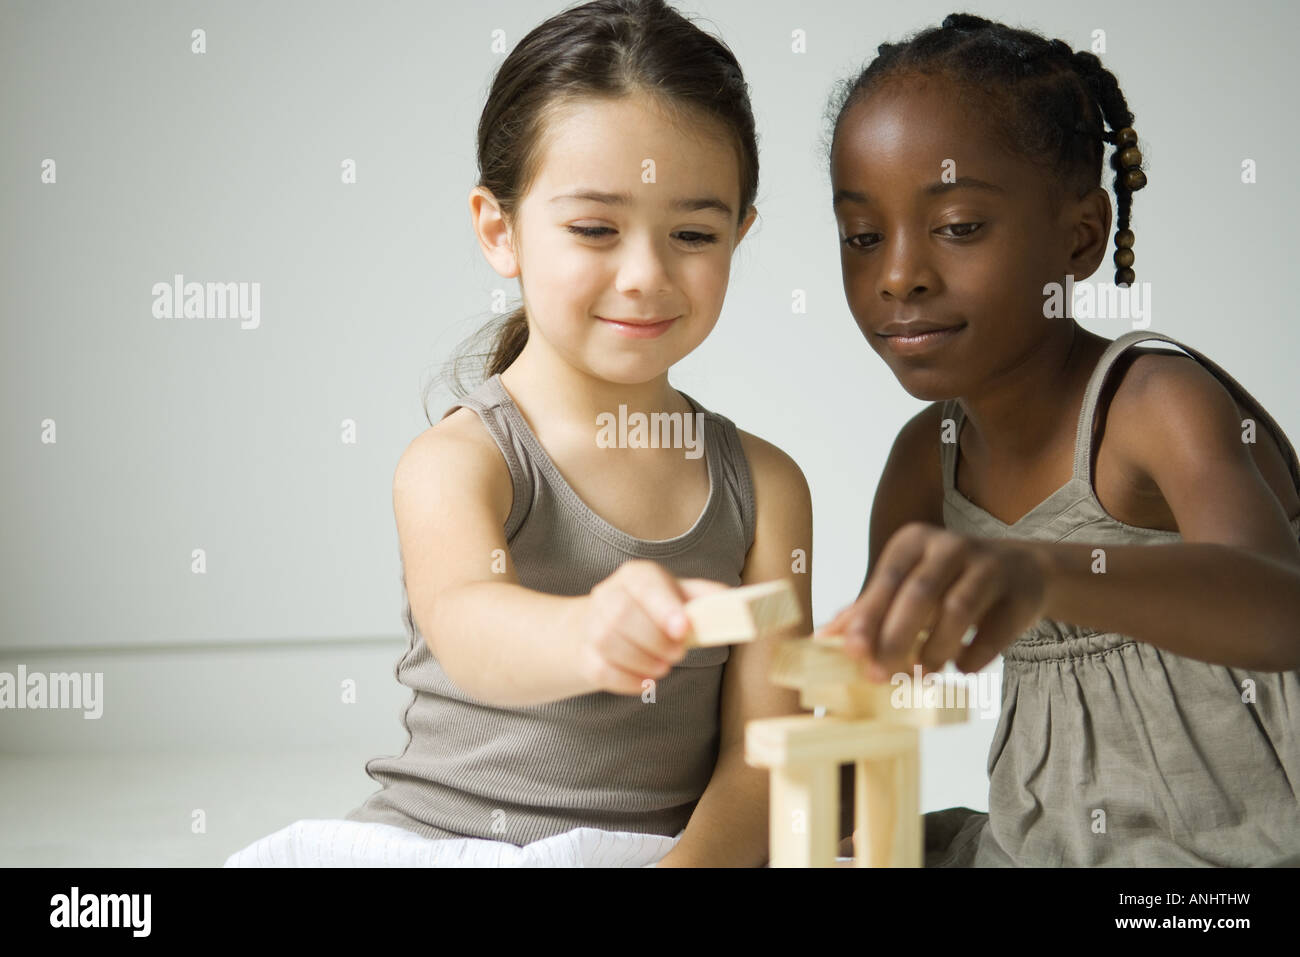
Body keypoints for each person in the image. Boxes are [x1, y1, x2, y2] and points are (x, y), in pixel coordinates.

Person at [225, 0, 811, 869]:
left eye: (693, 233)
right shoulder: (461, 463)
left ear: (740, 234)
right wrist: (590, 636)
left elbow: (767, 750)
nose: (646, 275)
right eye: (594, 230)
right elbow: (470, 625)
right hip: (447, 845)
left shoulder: (766, 485)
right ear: (501, 231)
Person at [821, 12, 1300, 866]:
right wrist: (829, 829)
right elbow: (874, 695)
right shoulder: (922, 465)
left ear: (1079, 237)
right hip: (1041, 848)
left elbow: (1280, 606)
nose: (898, 274)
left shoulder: (1154, 403)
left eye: (959, 226)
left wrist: (1040, 571)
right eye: (862, 236)